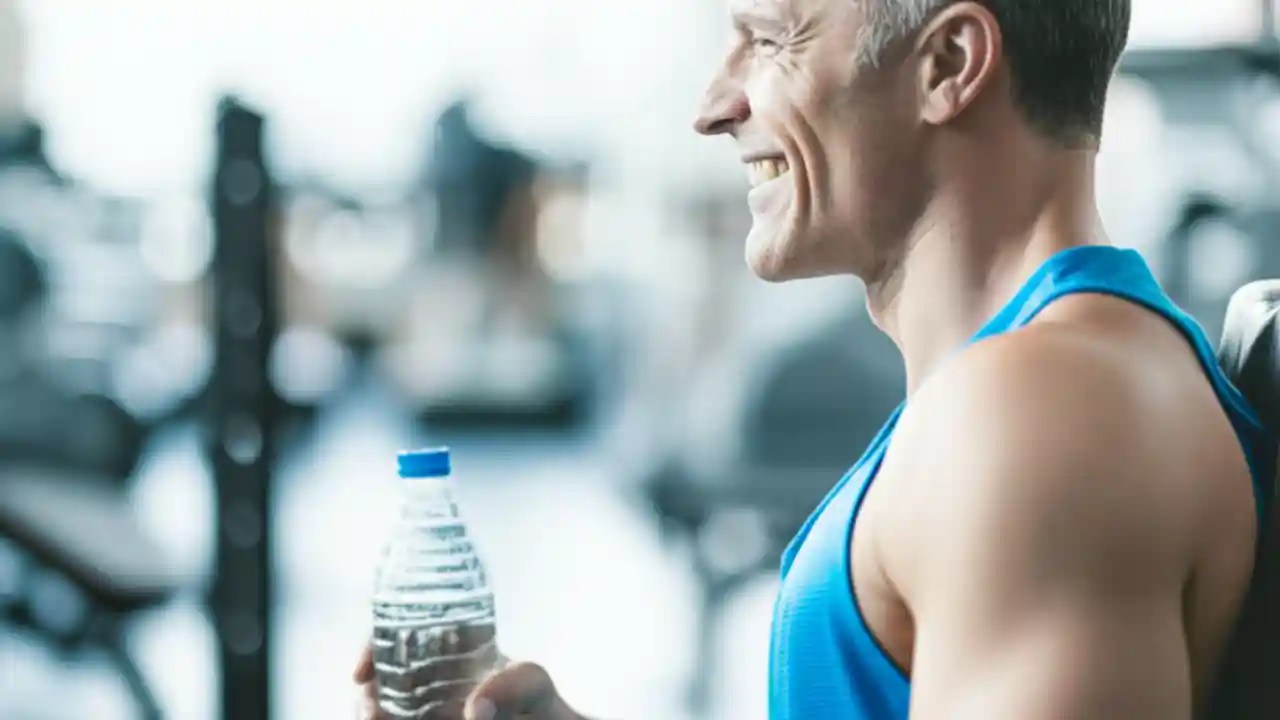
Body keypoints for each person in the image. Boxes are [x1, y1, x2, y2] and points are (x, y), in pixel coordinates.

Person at [356, 0, 1276, 718]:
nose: (714, 107)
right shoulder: (1030, 389)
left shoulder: (1037, 416)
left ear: (949, 65)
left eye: (768, 40)